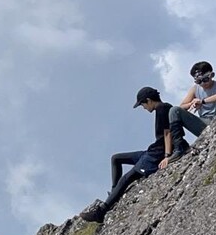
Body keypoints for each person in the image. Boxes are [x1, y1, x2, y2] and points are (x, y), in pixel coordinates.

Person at [79, 86, 187, 223]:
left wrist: (167, 156)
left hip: (156, 155)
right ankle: (114, 192)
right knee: (116, 158)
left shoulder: (161, 109)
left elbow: (167, 133)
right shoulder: (164, 108)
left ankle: (101, 211)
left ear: (148, 100)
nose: (143, 108)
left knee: (126, 178)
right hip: (151, 151)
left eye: (142, 104)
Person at [172, 60, 216, 137]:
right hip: (204, 122)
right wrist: (192, 103)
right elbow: (182, 106)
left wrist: (202, 101)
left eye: (205, 79)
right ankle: (178, 144)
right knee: (174, 110)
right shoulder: (195, 89)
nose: (203, 84)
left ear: (212, 75)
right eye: (199, 81)